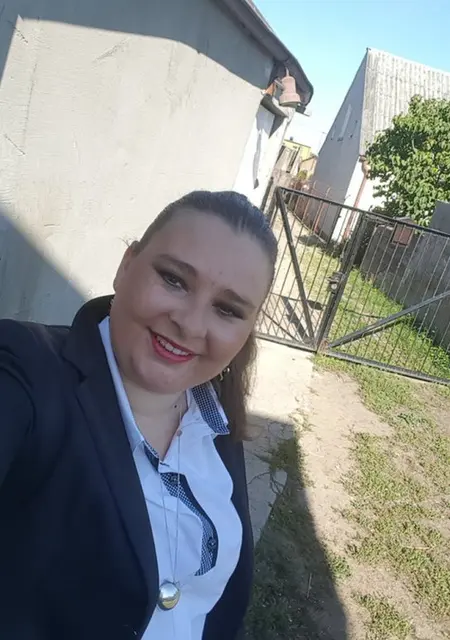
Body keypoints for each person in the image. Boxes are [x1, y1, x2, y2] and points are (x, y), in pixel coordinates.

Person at [0, 190, 277, 640]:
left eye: (227, 310)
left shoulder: (214, 420)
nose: (190, 324)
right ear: (126, 266)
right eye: (174, 280)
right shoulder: (26, 371)